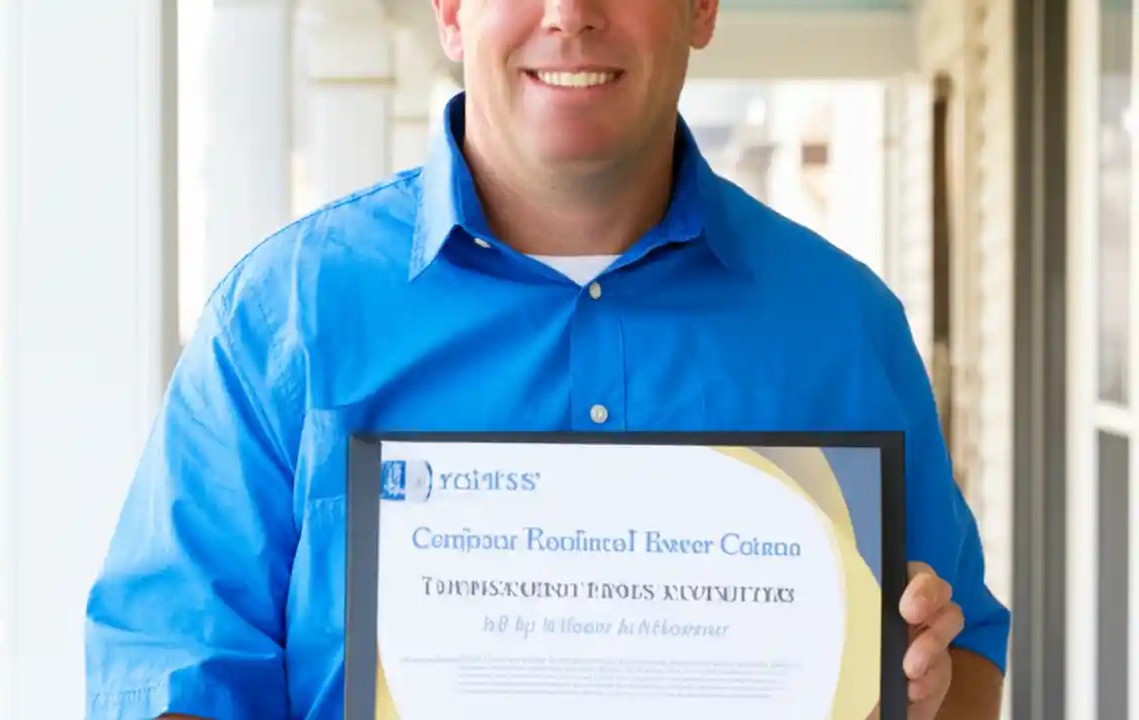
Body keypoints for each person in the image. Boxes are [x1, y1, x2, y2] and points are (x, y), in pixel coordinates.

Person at [84, 0, 1010, 718]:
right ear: (450, 10)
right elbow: (166, 679)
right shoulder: (282, 321)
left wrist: (919, 693)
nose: (569, 12)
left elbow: (971, 665)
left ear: (702, 6)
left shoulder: (842, 327)